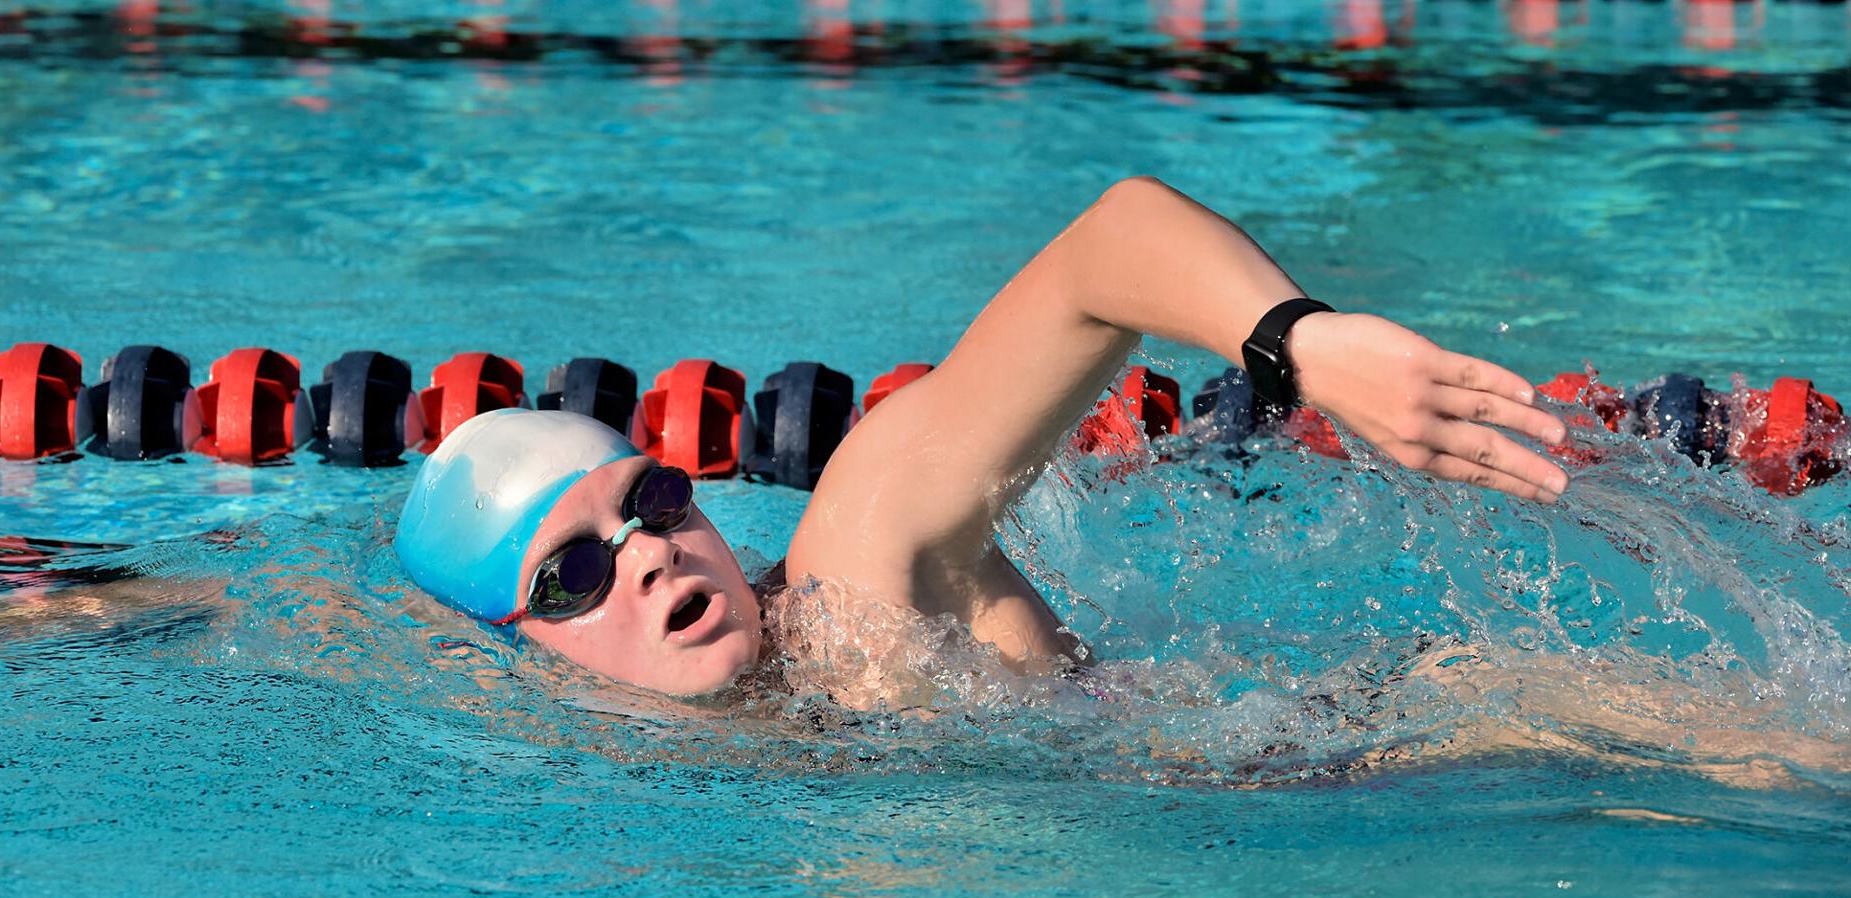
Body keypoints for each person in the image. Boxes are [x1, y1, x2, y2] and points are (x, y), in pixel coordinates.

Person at [394, 176, 1574, 701]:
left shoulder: (859, 559)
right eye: (577, 573)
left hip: (1421, 748)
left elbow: (1106, 251)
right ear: (513, 654)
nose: (649, 553)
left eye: (648, 500)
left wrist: (1298, 342)